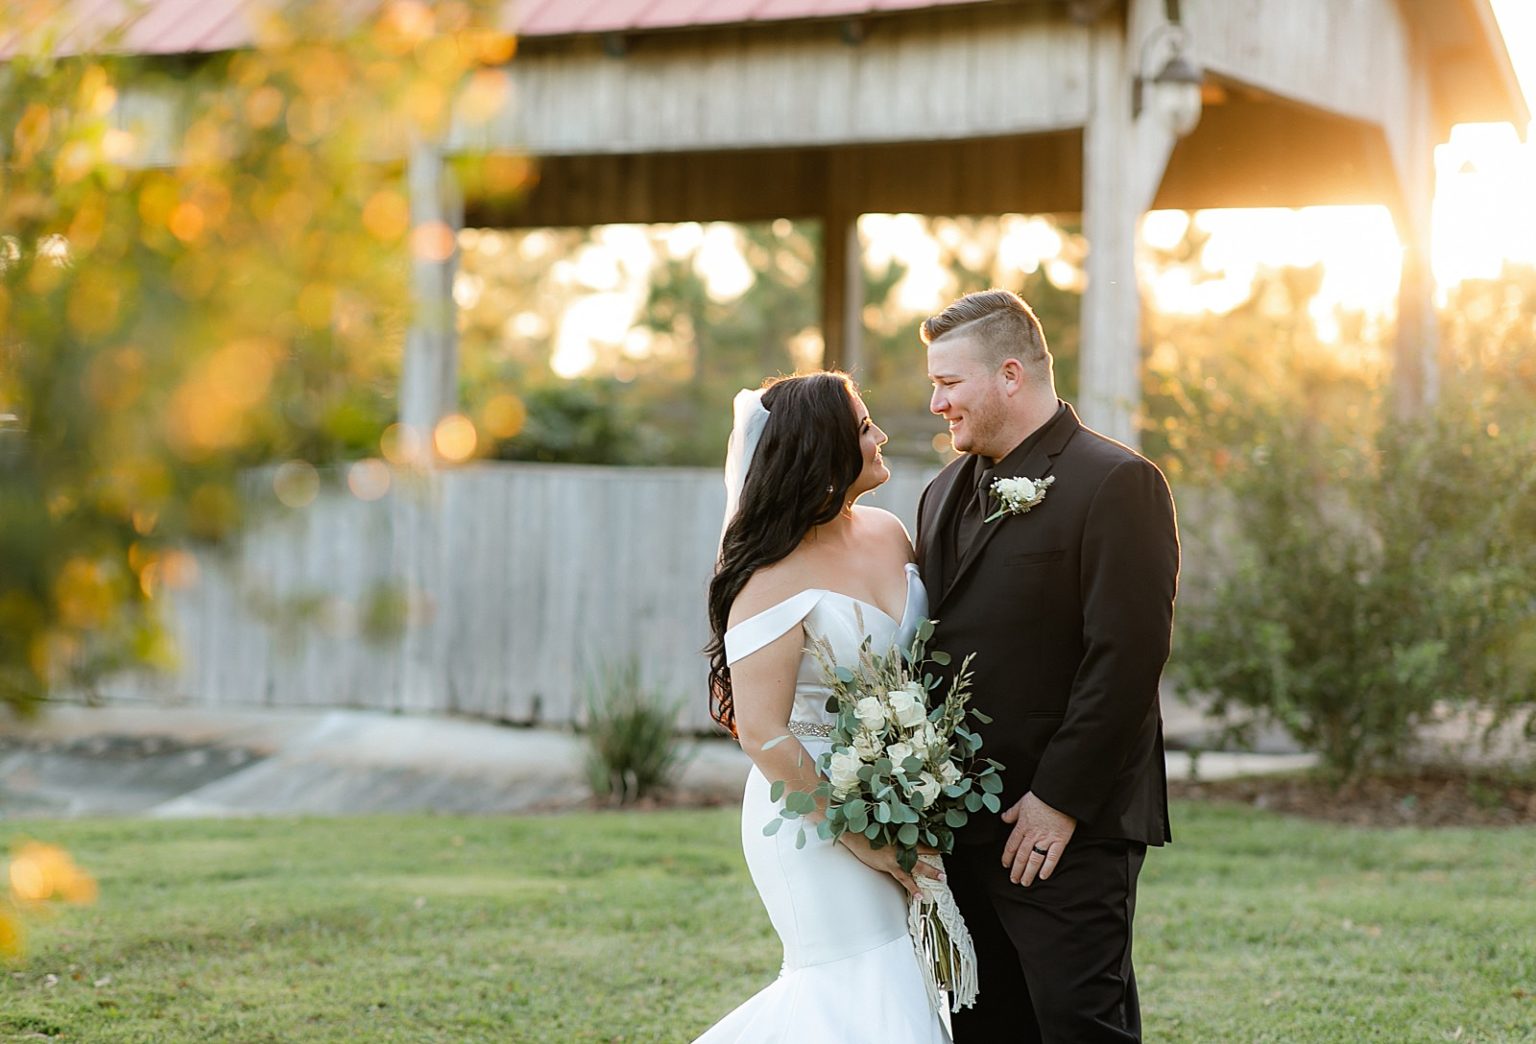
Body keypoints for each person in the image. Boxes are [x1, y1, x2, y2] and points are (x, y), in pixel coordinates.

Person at [915, 289, 1179, 1043]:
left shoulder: (1116, 482)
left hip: (1067, 828)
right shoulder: (939, 492)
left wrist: (1058, 799)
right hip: (960, 824)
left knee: (1076, 1024)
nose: (936, 403)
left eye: (949, 382)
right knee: (984, 1027)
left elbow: (1126, 658)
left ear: (1010, 375)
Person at [694, 372, 949, 1042]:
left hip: (897, 790)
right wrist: (864, 840)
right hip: (808, 811)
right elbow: (761, 731)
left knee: (907, 979)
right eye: (864, 427)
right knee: (857, 981)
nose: (881, 435)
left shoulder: (889, 532)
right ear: (823, 447)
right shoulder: (769, 573)